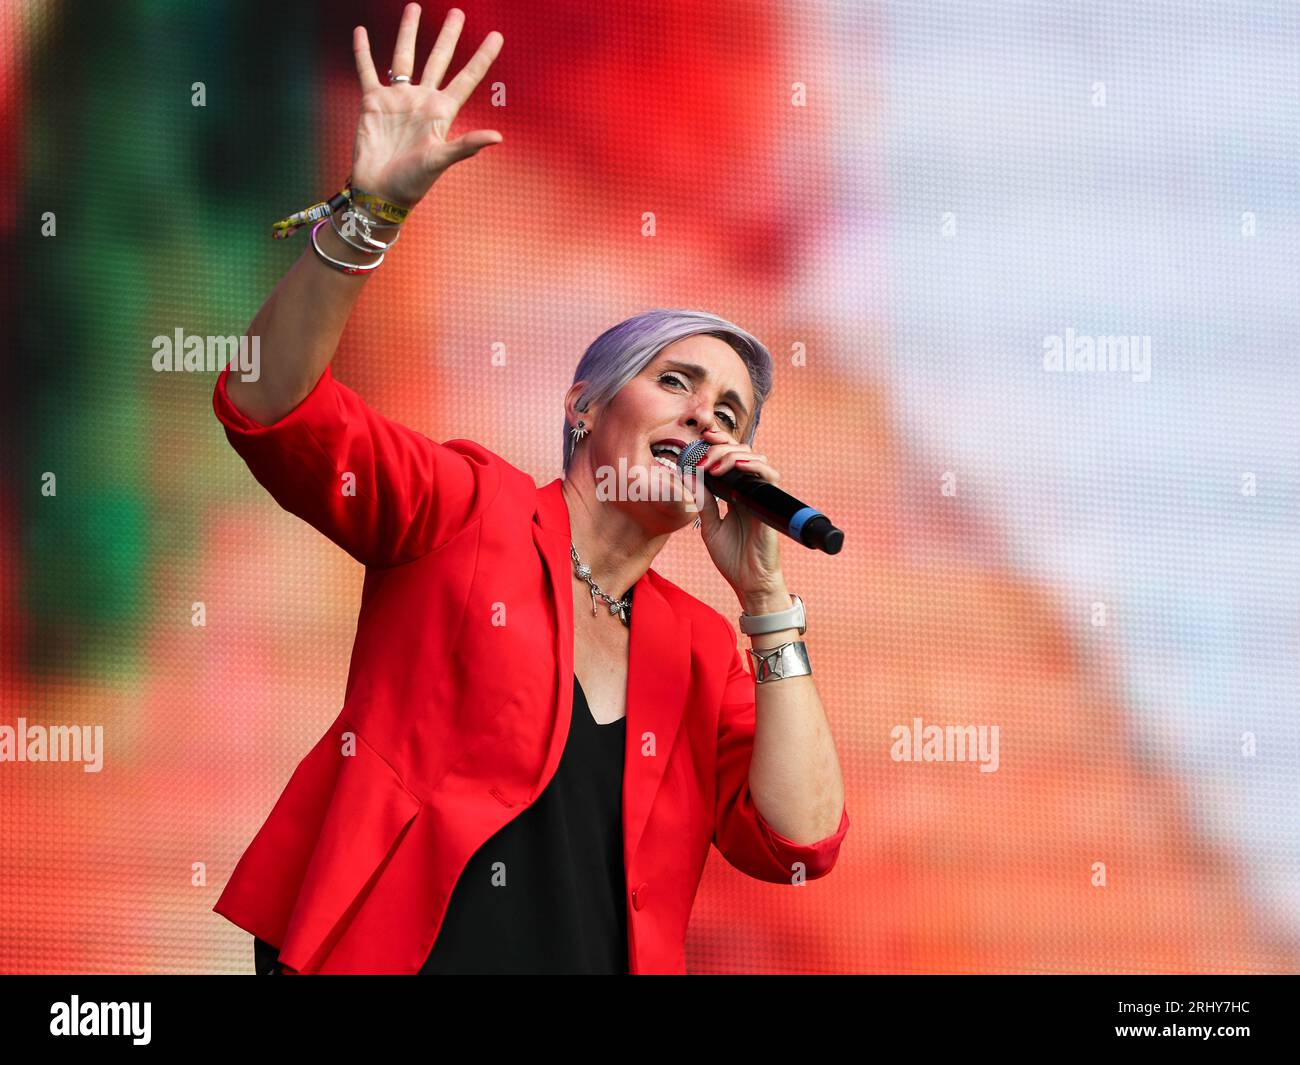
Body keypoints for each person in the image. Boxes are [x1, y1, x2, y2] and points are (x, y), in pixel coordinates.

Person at [215, 3, 849, 976]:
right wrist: (366, 217)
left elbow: (798, 845)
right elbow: (274, 408)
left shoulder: (698, 652)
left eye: (729, 414)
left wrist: (766, 604)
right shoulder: (465, 507)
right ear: (585, 408)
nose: (705, 420)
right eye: (675, 381)